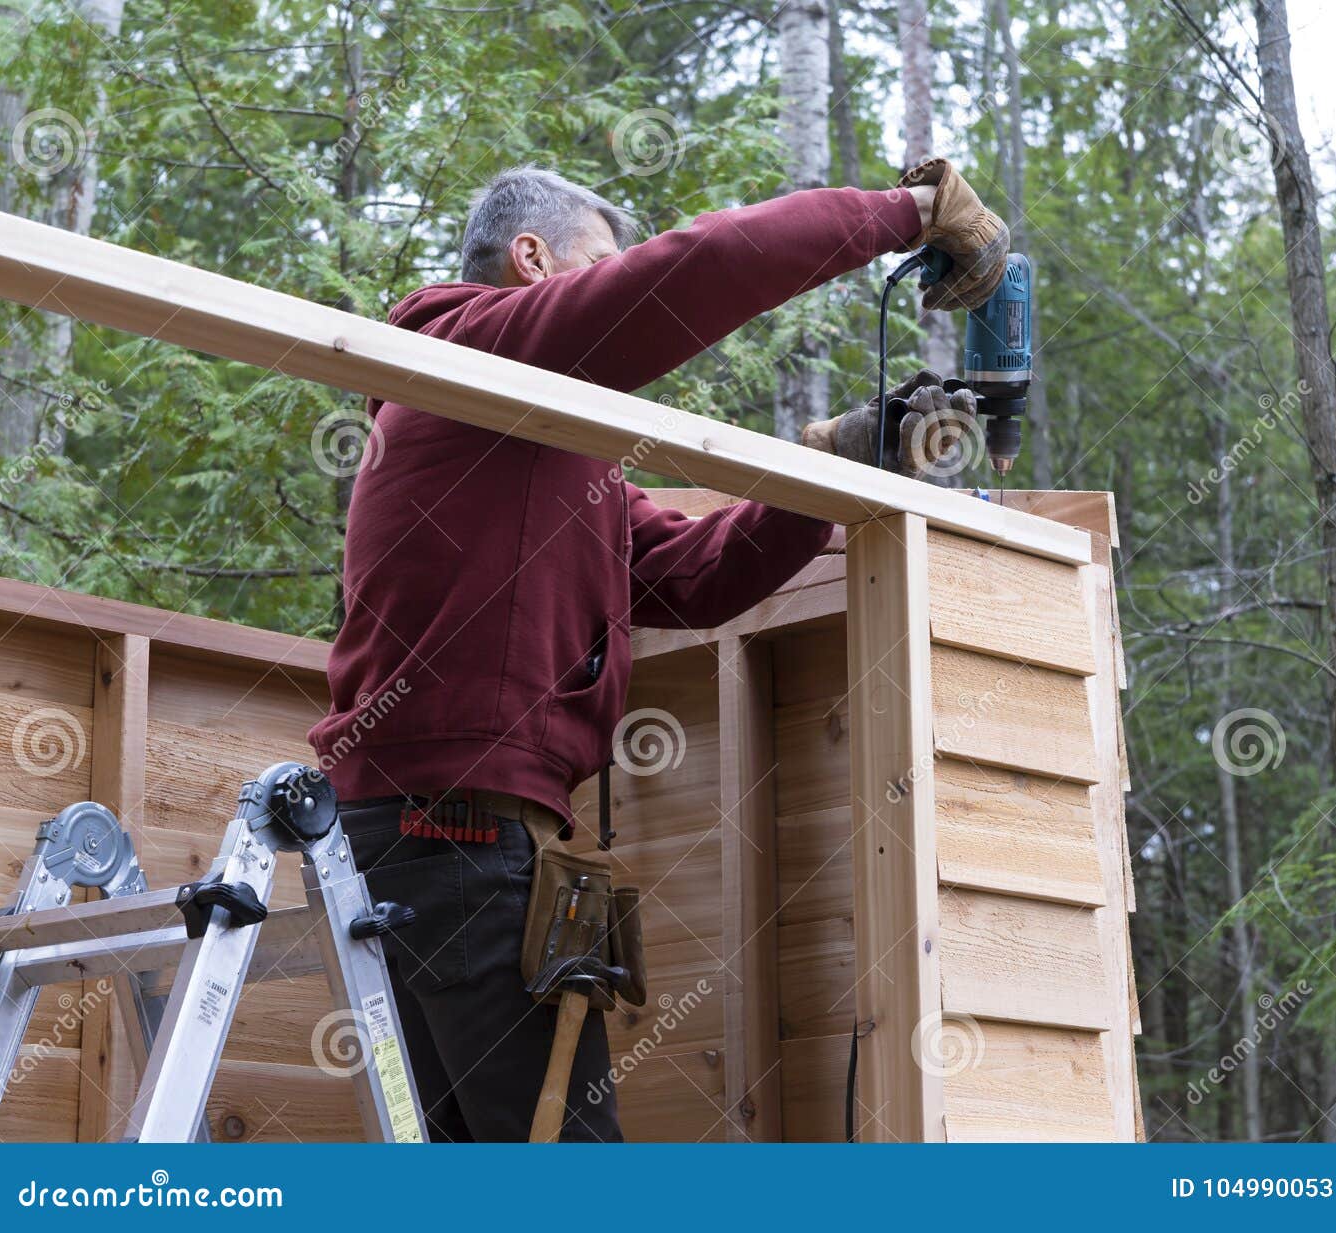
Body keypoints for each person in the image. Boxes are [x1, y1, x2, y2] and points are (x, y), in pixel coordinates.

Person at [308, 158, 1007, 1141]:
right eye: (600, 267)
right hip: (456, 836)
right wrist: (909, 212)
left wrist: (826, 469)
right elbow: (696, 270)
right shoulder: (467, 360)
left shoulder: (541, 452)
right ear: (533, 261)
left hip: (426, 840)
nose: (613, 285)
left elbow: (695, 574)